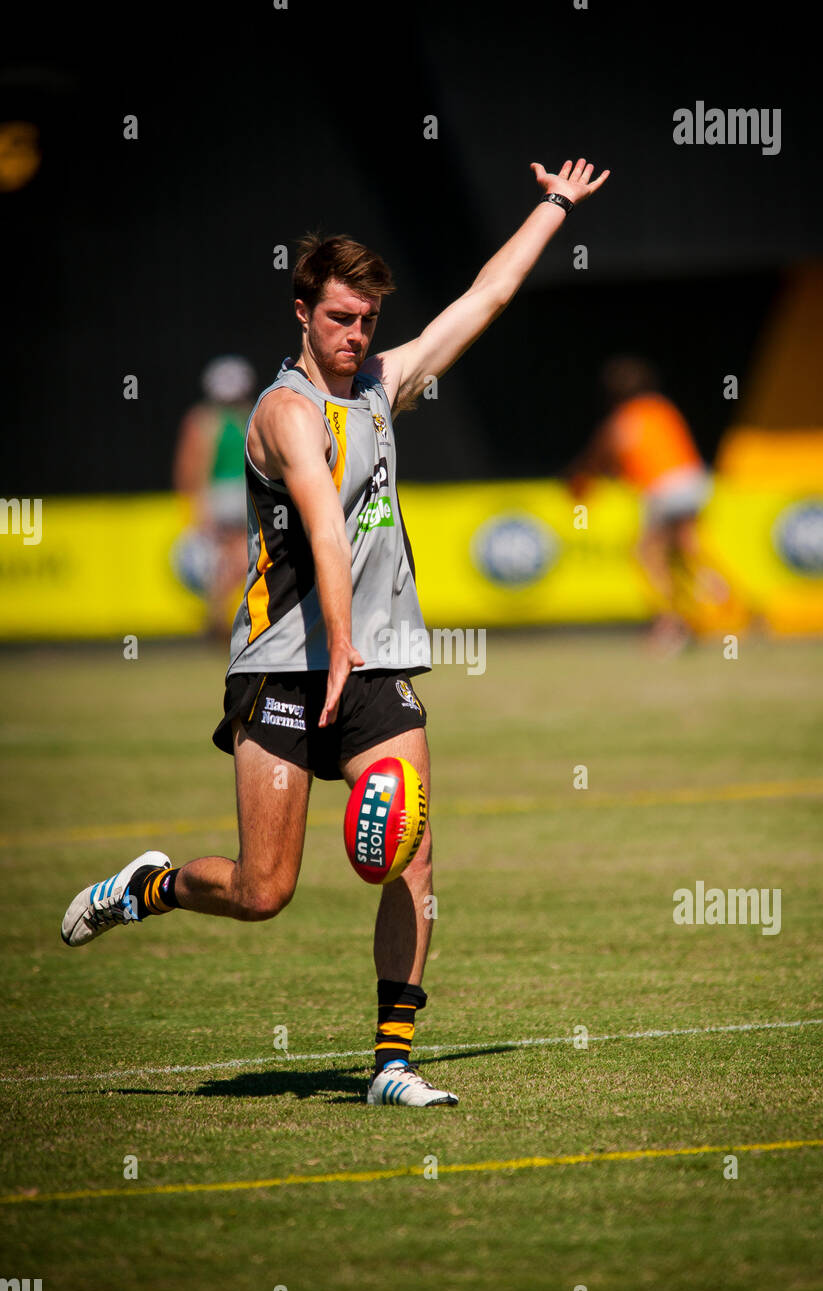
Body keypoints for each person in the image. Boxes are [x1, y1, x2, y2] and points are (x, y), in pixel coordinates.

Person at [61, 156, 610, 1106]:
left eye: (368, 321)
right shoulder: (283, 413)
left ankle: (391, 1065)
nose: (357, 336)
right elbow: (321, 525)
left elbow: (483, 298)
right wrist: (338, 644)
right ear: (302, 315)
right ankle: (146, 888)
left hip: (376, 663)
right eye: (339, 319)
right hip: (283, 666)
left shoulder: (378, 389)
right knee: (262, 891)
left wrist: (553, 207)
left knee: (412, 851)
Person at [565, 356, 732, 652]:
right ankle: (728, 604)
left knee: (648, 554)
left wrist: (579, 479)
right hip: (693, 480)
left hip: (664, 488)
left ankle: (670, 625)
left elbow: (598, 458)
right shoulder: (663, 409)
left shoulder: (622, 419)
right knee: (688, 546)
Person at [172, 355, 257, 638]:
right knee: (231, 559)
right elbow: (189, 467)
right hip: (220, 498)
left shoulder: (249, 414)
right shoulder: (203, 421)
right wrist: (198, 507)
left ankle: (221, 617)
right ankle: (221, 618)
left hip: (241, 496)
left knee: (238, 559)